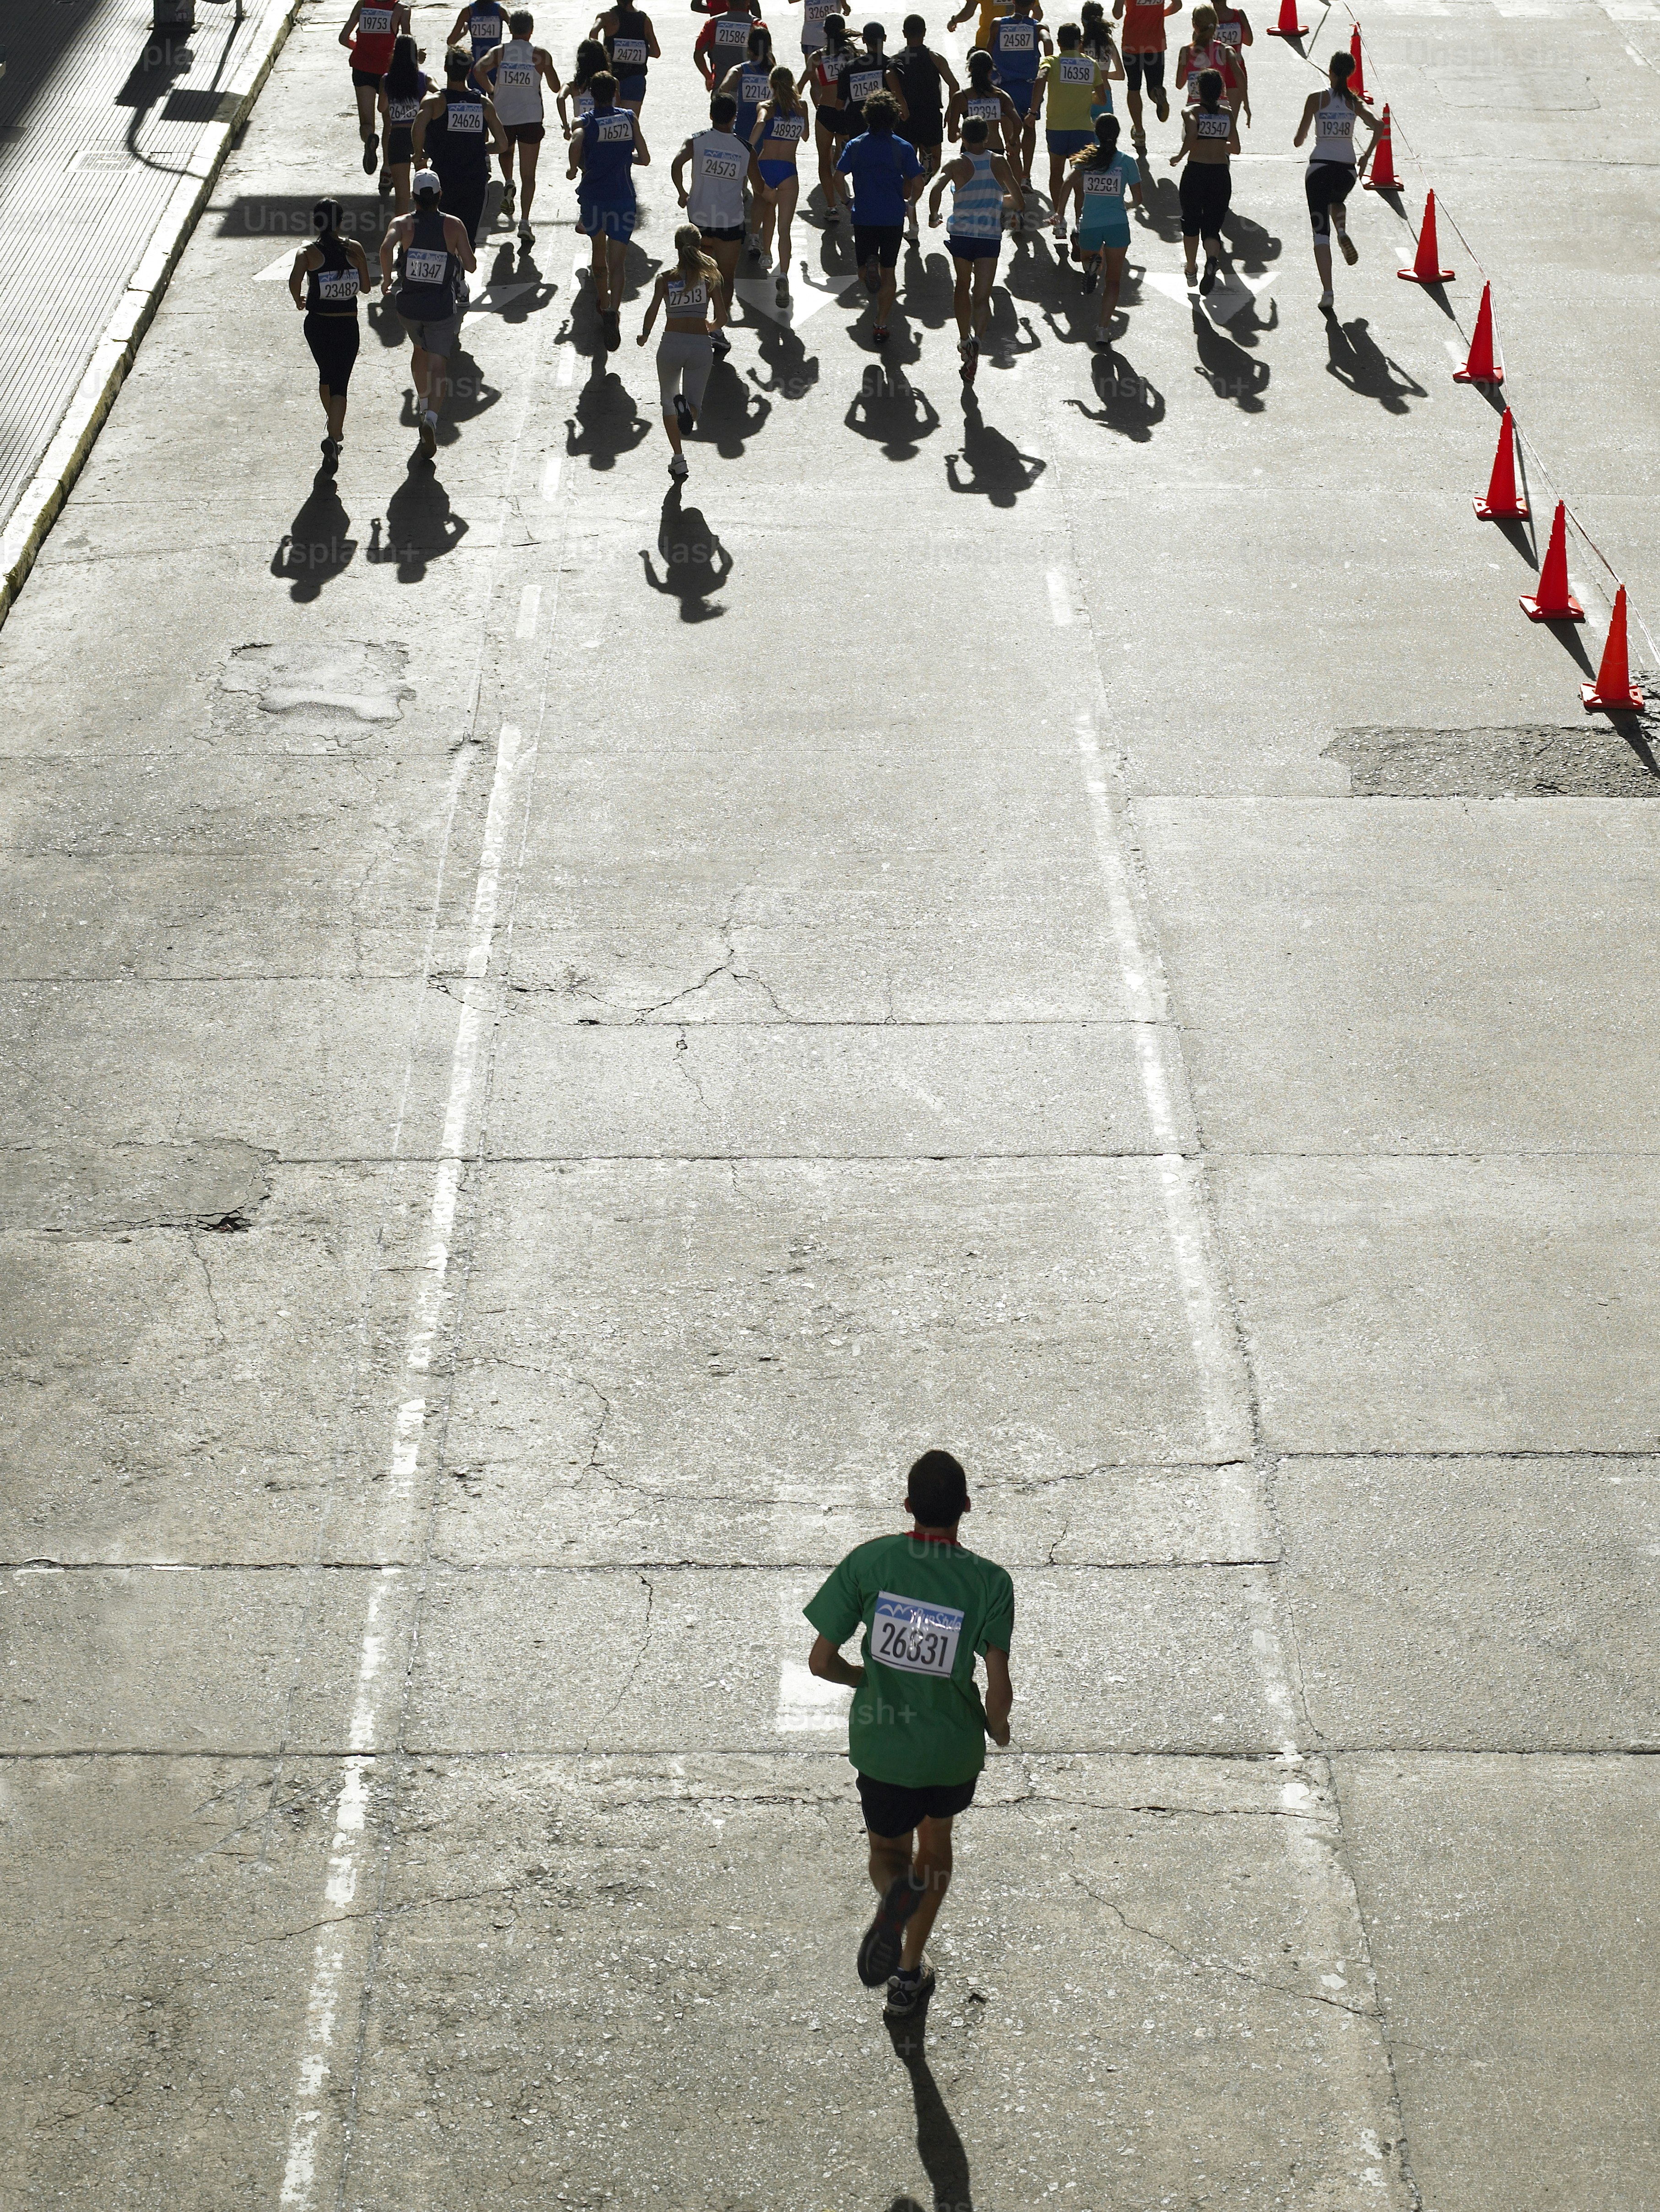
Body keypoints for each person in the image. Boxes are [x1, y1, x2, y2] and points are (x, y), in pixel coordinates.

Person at [803, 1450, 1014, 2022]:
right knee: (934, 1847)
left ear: (907, 1507)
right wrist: (997, 1729)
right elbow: (998, 1683)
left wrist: (862, 1677)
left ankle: (894, 1901)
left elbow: (821, 1662)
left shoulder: (870, 1562)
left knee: (887, 1852)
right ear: (966, 1508)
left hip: (885, 1744)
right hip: (951, 1752)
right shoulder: (988, 1581)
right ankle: (905, 1976)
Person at [380, 167, 476, 455]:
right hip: (441, 310)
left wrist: (387, 280)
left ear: (413, 196)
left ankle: (422, 405)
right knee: (438, 366)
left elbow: (386, 249)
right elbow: (470, 265)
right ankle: (431, 420)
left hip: (408, 308)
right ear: (440, 196)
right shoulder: (454, 225)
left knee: (418, 350)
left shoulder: (403, 223)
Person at [928, 116, 1021, 380]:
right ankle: (977, 342)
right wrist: (996, 201)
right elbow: (1019, 201)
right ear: (988, 137)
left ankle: (963, 338)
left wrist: (934, 215)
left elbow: (936, 189)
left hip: (961, 235)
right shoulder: (998, 162)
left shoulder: (957, 164)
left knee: (961, 286)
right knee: (982, 296)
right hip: (989, 237)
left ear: (964, 139)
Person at [638, 223, 727, 479]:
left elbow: (653, 310)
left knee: (668, 402)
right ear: (700, 247)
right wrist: (710, 326)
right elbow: (722, 318)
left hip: (671, 344)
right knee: (695, 404)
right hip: (700, 345)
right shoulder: (711, 278)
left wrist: (645, 335)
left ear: (676, 248)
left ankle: (679, 459)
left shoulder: (665, 279)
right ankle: (687, 411)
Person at [569, 69, 650, 346]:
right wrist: (627, 157)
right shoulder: (629, 118)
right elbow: (646, 157)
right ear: (616, 93)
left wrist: (572, 167)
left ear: (592, 95)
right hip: (623, 198)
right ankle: (615, 309)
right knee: (618, 263)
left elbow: (576, 138)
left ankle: (603, 304)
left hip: (594, 198)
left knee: (598, 255)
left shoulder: (587, 122)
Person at [835, 87, 922, 343]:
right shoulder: (903, 148)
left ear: (868, 116)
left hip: (863, 216)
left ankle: (868, 267)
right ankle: (881, 324)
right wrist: (911, 203)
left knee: (864, 271)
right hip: (893, 218)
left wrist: (846, 201)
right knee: (890, 272)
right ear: (894, 117)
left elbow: (838, 178)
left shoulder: (856, 145)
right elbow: (919, 182)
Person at [289, 198, 372, 464]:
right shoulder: (355, 249)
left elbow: (294, 282)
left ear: (316, 222)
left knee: (326, 375)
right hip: (348, 325)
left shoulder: (307, 253)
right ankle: (333, 439)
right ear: (341, 222)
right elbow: (367, 288)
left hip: (317, 326)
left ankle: (333, 427)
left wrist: (299, 299)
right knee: (341, 385)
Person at [1293, 48, 1377, 307]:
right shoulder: (1354, 103)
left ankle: (1328, 292)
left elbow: (1298, 141)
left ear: (1330, 71)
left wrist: (1309, 131)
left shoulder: (1316, 99)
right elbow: (1380, 126)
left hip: (1318, 169)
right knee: (1336, 200)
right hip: (1347, 171)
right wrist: (1366, 157)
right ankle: (1341, 229)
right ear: (1351, 74)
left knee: (1320, 233)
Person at [673, 94, 747, 354]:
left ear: (711, 115)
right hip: (730, 223)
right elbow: (761, 188)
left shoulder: (697, 141)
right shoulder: (745, 148)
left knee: (698, 275)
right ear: (734, 118)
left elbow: (676, 165)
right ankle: (715, 329)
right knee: (725, 278)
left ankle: (693, 326)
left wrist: (683, 193)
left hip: (700, 220)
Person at [474, 12, 559, 238]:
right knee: (529, 176)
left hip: (503, 116)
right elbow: (555, 86)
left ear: (510, 29)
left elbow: (477, 70)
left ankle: (508, 181)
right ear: (531, 30)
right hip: (531, 117)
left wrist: (493, 90)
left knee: (506, 150)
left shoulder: (500, 52)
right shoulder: (540, 55)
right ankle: (524, 222)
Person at [414, 48, 508, 250]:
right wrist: (480, 149)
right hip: (475, 182)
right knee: (466, 239)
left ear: (446, 68)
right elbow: (502, 144)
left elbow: (418, 127)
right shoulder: (483, 104)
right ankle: (460, 278)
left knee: (440, 236)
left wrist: (419, 155)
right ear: (469, 71)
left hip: (443, 181)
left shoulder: (434, 102)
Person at [1062, 110, 1142, 337]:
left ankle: (1092, 266)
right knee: (1114, 281)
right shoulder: (1127, 162)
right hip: (1117, 224)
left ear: (1096, 134)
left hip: (1090, 223)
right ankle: (1104, 329)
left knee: (1088, 259)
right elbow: (1138, 199)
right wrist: (1125, 205)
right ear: (1118, 134)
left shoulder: (1087, 160)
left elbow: (1067, 184)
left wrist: (1059, 213)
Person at [1033, 20, 1116, 236]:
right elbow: (1101, 98)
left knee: (1056, 173)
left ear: (1059, 43)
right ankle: (1080, 222)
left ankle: (1059, 221)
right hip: (1083, 129)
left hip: (1057, 128)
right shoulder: (1091, 64)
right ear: (1080, 43)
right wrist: (1084, 96)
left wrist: (1034, 109)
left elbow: (1041, 78)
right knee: (1080, 176)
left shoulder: (1051, 61)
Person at [1167, 63, 1233, 292]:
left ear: (1199, 89)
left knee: (1191, 222)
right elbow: (1235, 147)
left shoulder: (1191, 111)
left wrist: (1179, 155)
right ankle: (1212, 261)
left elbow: (1193, 133)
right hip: (1220, 174)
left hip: (1196, 171)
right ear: (1221, 91)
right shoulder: (1228, 114)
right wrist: (1217, 142)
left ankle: (1191, 268)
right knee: (1213, 228)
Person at [887, 16, 959, 216]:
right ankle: (913, 197)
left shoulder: (896, 60)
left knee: (906, 166)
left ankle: (907, 198)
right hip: (930, 117)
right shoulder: (935, 58)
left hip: (905, 120)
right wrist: (951, 111)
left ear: (904, 33)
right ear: (925, 32)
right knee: (934, 162)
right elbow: (954, 85)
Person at [751, 62, 808, 297]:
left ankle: (766, 253)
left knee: (767, 210)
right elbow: (805, 136)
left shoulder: (766, 106)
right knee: (785, 228)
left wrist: (747, 146)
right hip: (788, 171)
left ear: (771, 85)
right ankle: (784, 275)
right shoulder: (802, 106)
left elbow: (761, 123)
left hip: (765, 167)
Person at [340, 0, 411, 184]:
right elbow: (406, 44)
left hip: (362, 69)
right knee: (389, 122)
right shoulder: (401, 10)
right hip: (388, 72)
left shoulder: (363, 4)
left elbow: (343, 38)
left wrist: (361, 49)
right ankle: (387, 171)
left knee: (366, 122)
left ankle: (369, 140)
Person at [987, 0, 1050, 185]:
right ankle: (1025, 177)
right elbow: (1047, 41)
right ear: (1033, 5)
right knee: (1029, 127)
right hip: (1029, 88)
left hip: (1004, 87)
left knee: (1010, 133)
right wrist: (1046, 63)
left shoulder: (998, 24)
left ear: (1013, 2)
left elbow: (989, 51)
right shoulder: (1038, 27)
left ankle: (1013, 176)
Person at [1111, 0, 1178, 158]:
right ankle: (1158, 95)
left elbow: (1117, 14)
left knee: (1134, 86)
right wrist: (1161, 14)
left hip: (1132, 43)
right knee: (1154, 86)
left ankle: (1139, 133)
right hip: (1156, 43)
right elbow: (1177, 5)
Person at [806, 15, 857, 221]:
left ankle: (832, 207)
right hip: (847, 112)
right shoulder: (853, 54)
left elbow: (813, 84)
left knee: (823, 160)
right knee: (850, 160)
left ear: (825, 32)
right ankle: (852, 200)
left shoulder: (817, 57)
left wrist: (818, 99)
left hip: (826, 112)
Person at [378, 35, 429, 215]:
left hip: (397, 137)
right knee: (424, 190)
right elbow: (440, 96)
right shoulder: (423, 79)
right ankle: (424, 231)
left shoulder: (387, 80)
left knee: (402, 196)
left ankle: (402, 237)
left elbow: (381, 107)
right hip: (419, 137)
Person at [945, 47, 1022, 161]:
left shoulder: (960, 98)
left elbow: (952, 138)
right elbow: (1018, 123)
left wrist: (962, 133)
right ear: (991, 71)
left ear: (970, 70)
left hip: (969, 153)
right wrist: (1012, 142)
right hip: (996, 151)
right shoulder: (1001, 96)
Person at [1175, 3, 1246, 124]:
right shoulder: (1225, 49)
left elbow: (1179, 84)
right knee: (1226, 141)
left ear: (1194, 25)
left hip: (1195, 108)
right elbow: (1239, 75)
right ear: (1216, 22)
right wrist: (1247, 104)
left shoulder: (1186, 51)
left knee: (1191, 141)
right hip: (1221, 108)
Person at [593, 0, 659, 113]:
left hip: (610, 78)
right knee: (628, 123)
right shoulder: (644, 20)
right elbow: (656, 52)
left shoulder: (607, 17)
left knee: (608, 121)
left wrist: (601, 54)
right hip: (635, 79)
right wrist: (638, 50)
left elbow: (593, 33)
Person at [698, 0, 763, 87]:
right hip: (749, 87)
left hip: (721, 85)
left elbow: (698, 54)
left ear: (727, 3)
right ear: (748, 2)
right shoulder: (757, 25)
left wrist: (709, 77)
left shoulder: (712, 23)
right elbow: (767, 57)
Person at [558, 36, 610, 135]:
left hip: (584, 132)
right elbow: (618, 105)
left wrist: (566, 127)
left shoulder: (573, 86)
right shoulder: (612, 83)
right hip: (605, 131)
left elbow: (560, 99)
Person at [446, 0, 506, 65]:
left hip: (476, 61)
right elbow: (517, 31)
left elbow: (451, 41)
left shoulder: (468, 11)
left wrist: (463, 33)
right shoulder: (501, 10)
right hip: (496, 61)